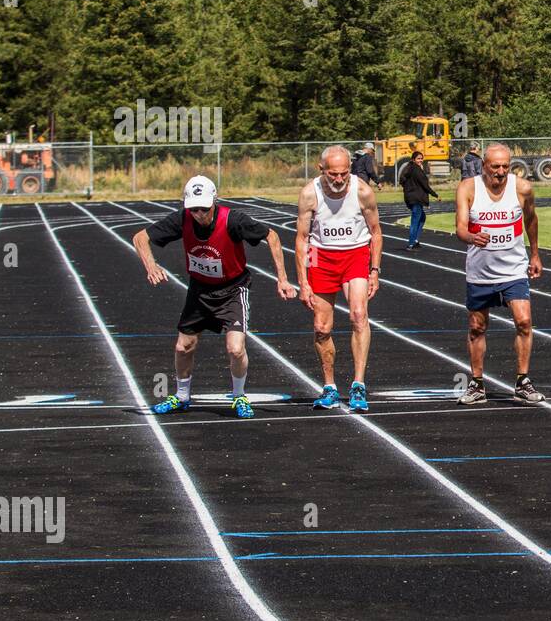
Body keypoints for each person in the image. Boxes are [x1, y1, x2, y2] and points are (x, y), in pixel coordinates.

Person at [132, 175, 295, 419]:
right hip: (200, 290)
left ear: (214, 201)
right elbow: (140, 237)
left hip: (233, 289)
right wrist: (151, 266)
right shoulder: (182, 219)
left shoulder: (233, 220)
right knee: (183, 345)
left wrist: (282, 278)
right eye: (194, 209)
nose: (199, 214)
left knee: (235, 348)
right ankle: (182, 396)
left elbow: (271, 235)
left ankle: (239, 396)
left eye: (204, 209)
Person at [295, 145, 383, 412]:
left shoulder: (362, 191)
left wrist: (375, 271)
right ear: (321, 170)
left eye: (344, 173)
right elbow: (301, 239)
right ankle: (330, 386)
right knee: (321, 327)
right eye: (333, 174)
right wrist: (303, 282)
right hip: (321, 257)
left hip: (355, 254)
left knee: (358, 315)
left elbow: (376, 232)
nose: (339, 179)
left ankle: (358, 384)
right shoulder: (310, 194)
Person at [455, 143, 544, 405]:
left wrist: (536, 254)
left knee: (524, 321)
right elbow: (459, 228)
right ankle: (477, 383)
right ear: (484, 165)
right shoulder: (469, 188)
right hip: (480, 270)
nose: (501, 171)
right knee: (476, 327)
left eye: (506, 166)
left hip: (513, 269)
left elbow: (531, 220)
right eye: (495, 166)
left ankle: (523, 381)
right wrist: (471, 236)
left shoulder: (523, 188)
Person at [398, 150, 439, 251]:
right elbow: (425, 185)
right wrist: (435, 195)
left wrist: (408, 189)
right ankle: (411, 244)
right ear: (413, 159)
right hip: (416, 199)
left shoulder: (409, 168)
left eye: (421, 158)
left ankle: (415, 240)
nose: (420, 160)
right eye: (418, 159)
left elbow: (402, 180)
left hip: (410, 197)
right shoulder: (416, 170)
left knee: (422, 217)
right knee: (415, 221)